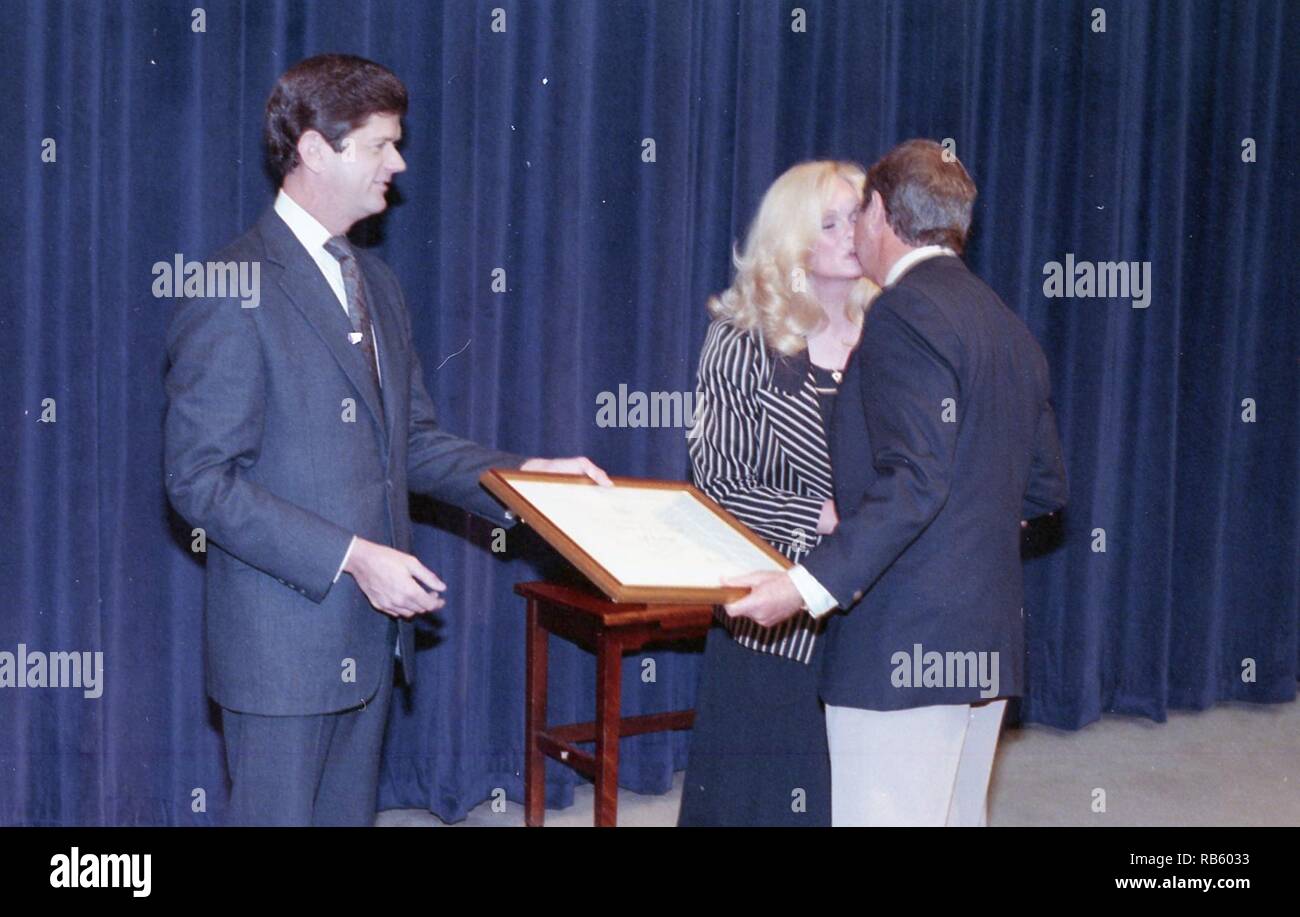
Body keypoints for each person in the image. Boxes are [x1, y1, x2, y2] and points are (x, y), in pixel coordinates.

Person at [163, 53, 609, 827]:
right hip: (279, 656)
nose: (398, 164)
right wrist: (353, 557)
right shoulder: (231, 287)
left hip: (365, 645)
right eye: (380, 144)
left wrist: (526, 478)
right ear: (312, 149)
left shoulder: (378, 284)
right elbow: (200, 480)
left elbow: (414, 446)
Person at [723, 139, 1068, 826]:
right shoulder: (1007, 325)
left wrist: (802, 586)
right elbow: (1044, 488)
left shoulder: (901, 314)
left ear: (878, 212)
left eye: (856, 215)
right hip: (985, 642)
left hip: (903, 646)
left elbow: (914, 480)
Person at [678, 161, 877, 826]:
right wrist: (821, 516)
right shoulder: (742, 340)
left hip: (880, 606)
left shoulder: (891, 334)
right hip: (778, 611)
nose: (853, 232)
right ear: (791, 243)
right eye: (831, 222)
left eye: (859, 214)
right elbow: (718, 484)